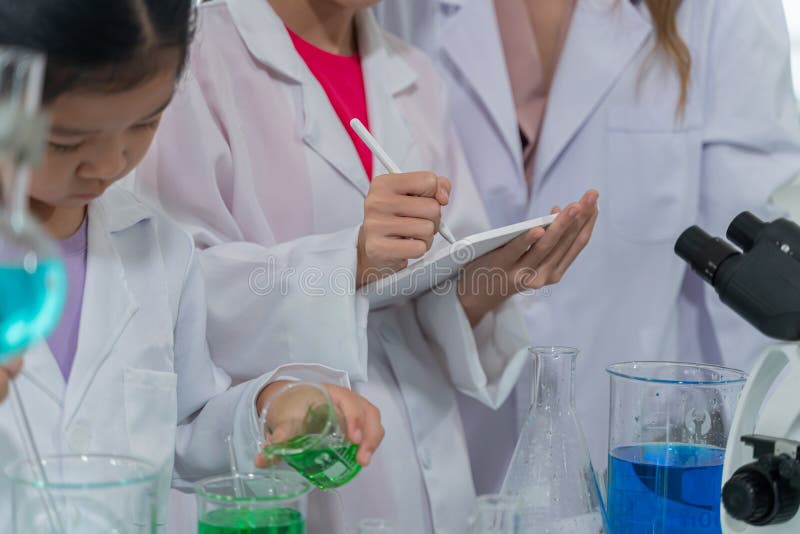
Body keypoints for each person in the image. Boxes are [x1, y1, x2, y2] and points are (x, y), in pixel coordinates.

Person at [135, 0, 599, 531]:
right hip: (283, 470)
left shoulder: (416, 78)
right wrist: (350, 260)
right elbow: (173, 292)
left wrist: (498, 279)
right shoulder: (193, 62)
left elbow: (437, 292)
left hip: (425, 468)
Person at [374, 0, 800, 479]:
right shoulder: (400, 10)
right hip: (447, 446)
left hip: (639, 449)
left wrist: (750, 473)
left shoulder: (720, 11)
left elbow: (750, 286)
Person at [0, 1, 384, 531]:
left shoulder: (158, 249)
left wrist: (269, 408)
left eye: (144, 123)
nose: (110, 163)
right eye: (66, 141)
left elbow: (183, 430)